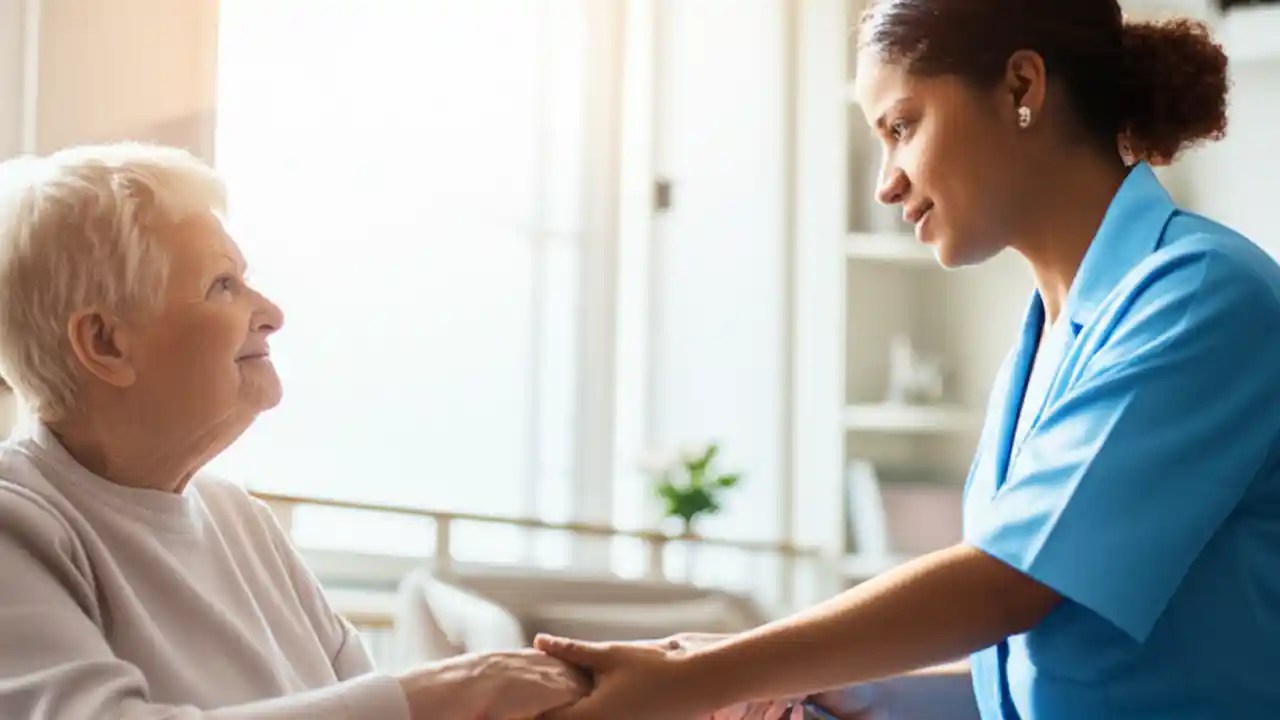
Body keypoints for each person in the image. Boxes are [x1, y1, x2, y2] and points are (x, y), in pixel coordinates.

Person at [533, 1, 1280, 719]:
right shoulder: (1044, 342)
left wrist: (693, 676)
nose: (886, 181)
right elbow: (1043, 663)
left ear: (1023, 86)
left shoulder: (1202, 295)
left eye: (902, 126)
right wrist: (867, 694)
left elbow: (1005, 586)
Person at [0, 143, 588, 720]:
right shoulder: (18, 519)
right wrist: (440, 694)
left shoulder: (241, 519)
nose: (271, 312)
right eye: (223, 284)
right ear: (105, 342)